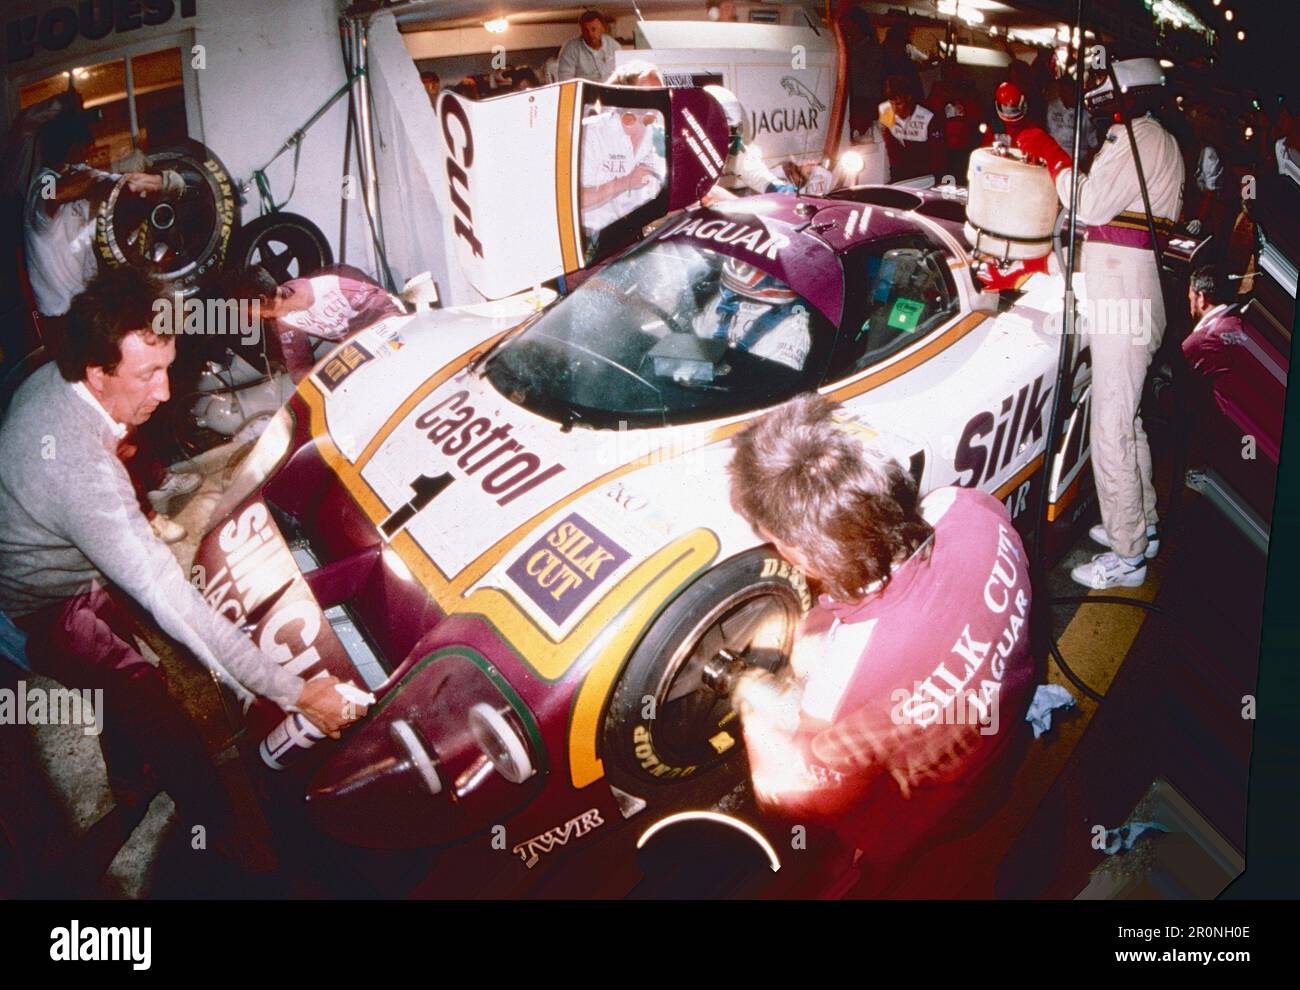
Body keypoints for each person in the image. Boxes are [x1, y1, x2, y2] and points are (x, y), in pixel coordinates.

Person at [0, 267, 361, 870]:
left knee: (123, 682)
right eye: (147, 375)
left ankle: (130, 771)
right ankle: (223, 832)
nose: (166, 392)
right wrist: (296, 693)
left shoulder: (49, 376)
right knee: (153, 700)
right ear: (98, 373)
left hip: (60, 558)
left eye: (167, 366)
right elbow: (179, 608)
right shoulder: (83, 478)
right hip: (40, 608)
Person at [725, 393, 1035, 895]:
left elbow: (794, 794)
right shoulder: (970, 509)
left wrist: (755, 707)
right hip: (997, 750)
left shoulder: (847, 675)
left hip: (926, 807)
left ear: (804, 552)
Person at [1018, 57, 1184, 589]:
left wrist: (1050, 155)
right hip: (1135, 287)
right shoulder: (1159, 140)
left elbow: (1089, 205)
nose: (1105, 102)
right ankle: (1141, 525)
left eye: (1112, 94)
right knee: (1126, 416)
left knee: (1110, 423)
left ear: (1132, 96)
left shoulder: (1136, 138)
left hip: (1125, 296)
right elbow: (1118, 232)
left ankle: (1129, 555)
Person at [1181, 265, 1285, 466]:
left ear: (1202, 298)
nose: (1190, 304)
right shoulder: (1251, 321)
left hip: (1248, 444)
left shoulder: (1200, 342)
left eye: (1191, 298)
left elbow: (1177, 379)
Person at [234, 264, 403, 383]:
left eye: (256, 312)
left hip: (392, 330)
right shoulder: (283, 320)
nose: (261, 318)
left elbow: (389, 311)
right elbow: (298, 367)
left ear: (263, 300)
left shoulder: (334, 282)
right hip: (361, 349)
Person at [694, 258, 812, 371]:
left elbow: (773, 382)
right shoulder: (725, 300)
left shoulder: (791, 327)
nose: (744, 265)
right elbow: (691, 343)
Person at [579, 103, 666, 245]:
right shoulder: (592, 131)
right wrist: (626, 182)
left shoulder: (660, 136)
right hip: (589, 238)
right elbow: (577, 200)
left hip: (635, 238)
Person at [879, 74, 945, 181]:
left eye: (899, 103)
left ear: (909, 98)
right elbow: (891, 151)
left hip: (925, 176)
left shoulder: (928, 117)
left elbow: (938, 158)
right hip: (899, 176)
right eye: (891, 103)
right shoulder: (886, 111)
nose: (895, 109)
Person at [557, 10, 621, 83]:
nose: (590, 34)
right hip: (585, 91)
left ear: (603, 28)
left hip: (611, 90)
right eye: (585, 30)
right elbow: (565, 78)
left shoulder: (613, 45)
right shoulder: (571, 49)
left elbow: (623, 70)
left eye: (593, 29)